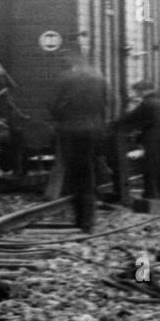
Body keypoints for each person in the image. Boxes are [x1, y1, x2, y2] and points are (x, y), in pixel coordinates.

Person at [46, 52, 108, 231]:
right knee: (88, 171)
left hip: (70, 130)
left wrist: (60, 119)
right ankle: (88, 220)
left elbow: (52, 105)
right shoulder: (99, 78)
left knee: (74, 174)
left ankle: (80, 219)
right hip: (93, 129)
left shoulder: (64, 79)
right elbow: (105, 105)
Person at [118, 82, 160, 201]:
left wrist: (116, 125)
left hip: (155, 136)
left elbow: (130, 118)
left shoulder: (147, 103)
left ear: (142, 91)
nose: (135, 94)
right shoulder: (159, 101)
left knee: (152, 167)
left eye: (136, 91)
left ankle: (150, 196)